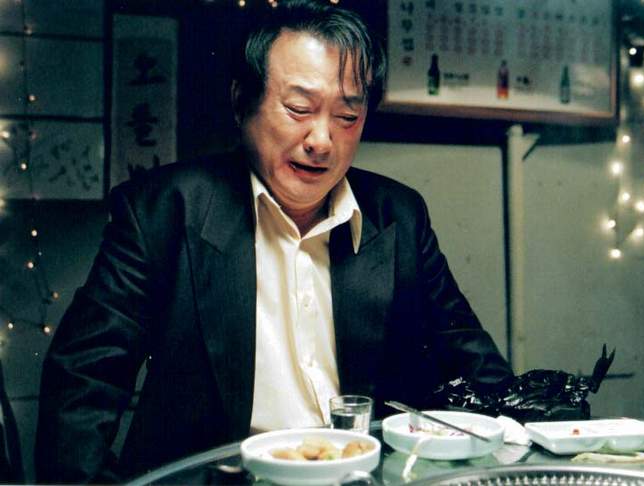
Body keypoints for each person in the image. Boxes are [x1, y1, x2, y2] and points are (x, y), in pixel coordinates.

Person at [35, 0, 512, 482]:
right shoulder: (163, 211)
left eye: (348, 116)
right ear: (242, 100)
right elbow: (82, 384)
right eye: (299, 109)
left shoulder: (399, 217)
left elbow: (476, 364)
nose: (321, 140)